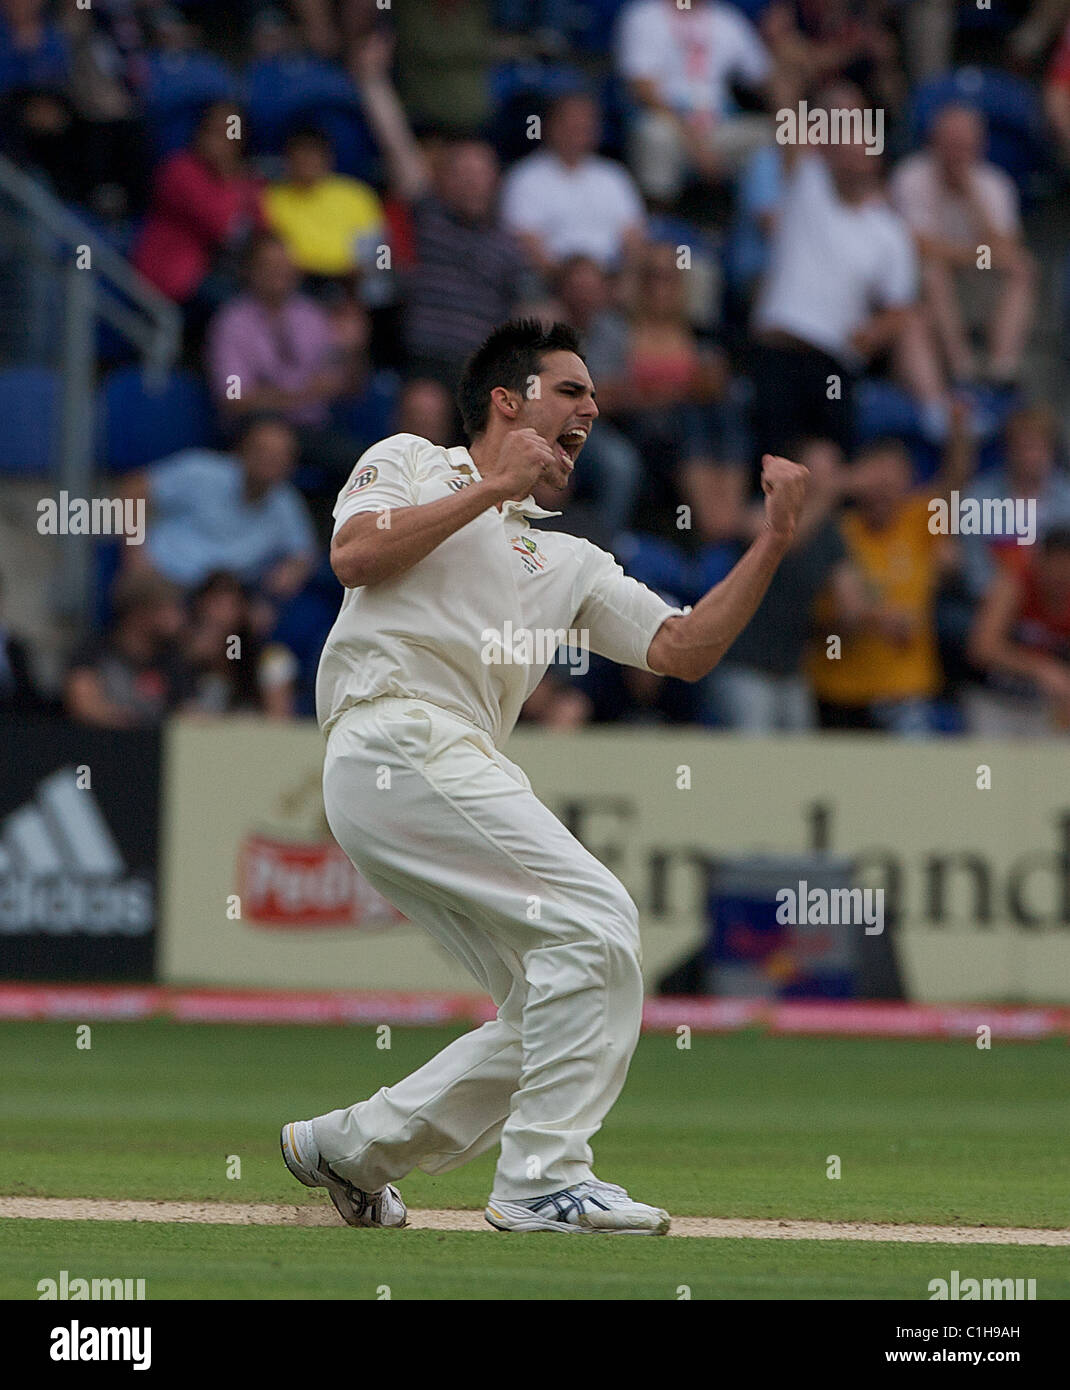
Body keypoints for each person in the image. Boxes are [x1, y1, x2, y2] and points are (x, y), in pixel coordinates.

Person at [280, 318, 809, 1234]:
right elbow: (356, 557)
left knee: (559, 998)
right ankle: (541, 1178)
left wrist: (769, 546)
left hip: (451, 764)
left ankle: (349, 1148)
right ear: (506, 399)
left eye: (594, 398)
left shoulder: (567, 558)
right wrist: (489, 489)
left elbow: (681, 649)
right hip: (393, 734)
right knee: (598, 921)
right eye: (570, 391)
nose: (593, 409)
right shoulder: (412, 458)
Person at [891, 104, 1036, 387]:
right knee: (934, 271)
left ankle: (1001, 369)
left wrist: (971, 198)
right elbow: (917, 247)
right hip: (924, 289)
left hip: (976, 280)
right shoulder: (911, 176)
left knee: (1023, 269)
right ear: (934, 142)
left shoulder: (993, 183)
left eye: (965, 146)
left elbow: (1008, 250)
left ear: (979, 146)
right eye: (951, 145)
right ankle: (963, 368)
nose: (957, 154)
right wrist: (977, 254)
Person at [205, 232, 367, 484]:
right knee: (272, 443)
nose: (279, 272)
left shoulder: (312, 315)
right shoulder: (232, 322)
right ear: (250, 270)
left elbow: (350, 388)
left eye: (285, 265)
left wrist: (353, 350)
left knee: (366, 464)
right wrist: (304, 393)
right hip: (255, 429)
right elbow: (233, 399)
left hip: (311, 430)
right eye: (269, 265)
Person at [120, 414, 316, 607]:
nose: (269, 461)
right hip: (162, 577)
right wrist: (135, 557)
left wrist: (290, 573)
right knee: (166, 620)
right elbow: (133, 490)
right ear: (242, 450)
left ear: (291, 464)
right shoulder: (201, 471)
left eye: (279, 455)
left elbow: (303, 553)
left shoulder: (286, 501)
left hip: (225, 598)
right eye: (262, 451)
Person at [615, 0, 776, 202]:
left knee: (781, 135)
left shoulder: (726, 18)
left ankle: (759, 223)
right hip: (668, 121)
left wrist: (783, 44)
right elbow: (642, 89)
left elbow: (765, 79)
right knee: (655, 136)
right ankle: (661, 219)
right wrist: (694, 141)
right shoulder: (644, 15)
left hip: (719, 124)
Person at [500, 90, 647, 281]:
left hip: (611, 281)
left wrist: (622, 282)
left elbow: (634, 238)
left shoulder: (614, 176)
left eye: (586, 124)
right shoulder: (524, 178)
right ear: (549, 126)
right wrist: (573, 283)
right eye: (570, 123)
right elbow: (525, 243)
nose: (578, 129)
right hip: (551, 282)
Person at [131, 99, 264, 310]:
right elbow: (220, 224)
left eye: (230, 132)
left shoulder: (249, 180)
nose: (221, 141)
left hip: (227, 273)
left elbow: (262, 229)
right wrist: (229, 175)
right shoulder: (179, 171)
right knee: (240, 308)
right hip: (173, 277)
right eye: (214, 131)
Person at [967, 525, 1070, 736]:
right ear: (1041, 562)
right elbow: (982, 649)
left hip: (1047, 707)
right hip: (995, 699)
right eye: (1056, 568)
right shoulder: (1014, 585)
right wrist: (1040, 669)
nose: (1061, 578)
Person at [263, 125, 386, 295]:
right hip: (295, 286)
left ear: (327, 157)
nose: (306, 160)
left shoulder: (357, 194)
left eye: (312, 153)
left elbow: (378, 249)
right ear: (287, 158)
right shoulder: (271, 198)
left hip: (351, 285)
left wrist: (364, 271)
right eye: (300, 154)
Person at [64, 571, 190, 728]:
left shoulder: (171, 658)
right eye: (168, 609)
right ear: (139, 612)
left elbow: (187, 712)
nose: (179, 618)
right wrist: (129, 721)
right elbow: (83, 705)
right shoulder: (93, 650)